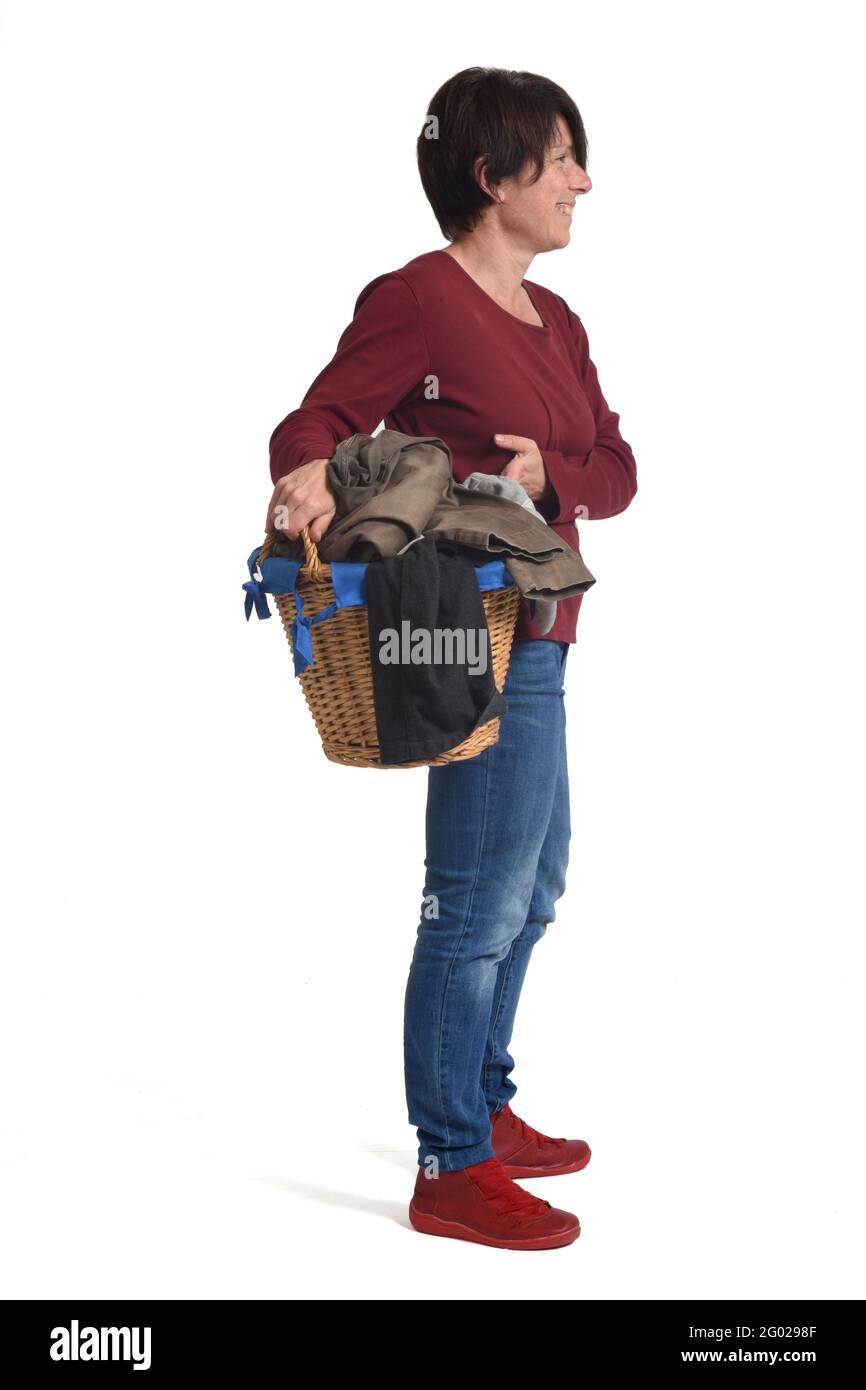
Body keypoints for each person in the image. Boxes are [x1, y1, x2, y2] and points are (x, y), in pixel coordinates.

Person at [265, 66, 637, 1251]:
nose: (583, 180)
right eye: (562, 157)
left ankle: (479, 1093)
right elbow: (317, 417)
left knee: (534, 887)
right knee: (473, 903)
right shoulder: (420, 301)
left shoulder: (559, 321)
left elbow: (618, 470)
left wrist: (551, 478)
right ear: (493, 176)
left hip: (547, 637)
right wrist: (311, 466)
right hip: (465, 643)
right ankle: (449, 1160)